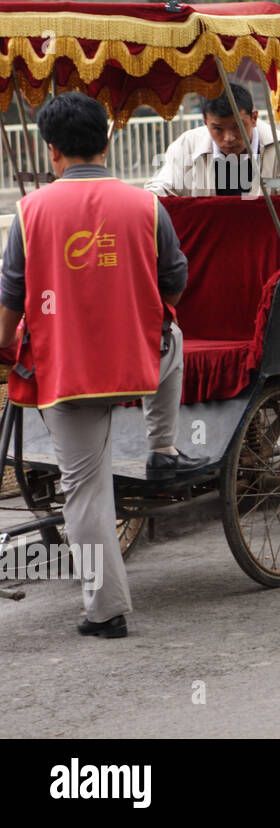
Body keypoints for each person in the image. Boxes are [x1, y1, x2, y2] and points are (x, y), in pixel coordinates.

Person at [0, 93, 200, 639]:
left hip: (68, 373)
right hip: (141, 361)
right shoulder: (145, 206)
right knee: (172, 333)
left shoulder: (30, 212)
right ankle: (162, 447)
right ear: (107, 143)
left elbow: (12, 299)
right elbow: (175, 280)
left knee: (85, 486)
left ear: (52, 151)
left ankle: (105, 610)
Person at [145, 83, 280, 196]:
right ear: (205, 123)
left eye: (237, 126)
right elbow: (162, 188)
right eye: (218, 129)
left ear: (254, 118)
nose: (229, 138)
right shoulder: (187, 145)